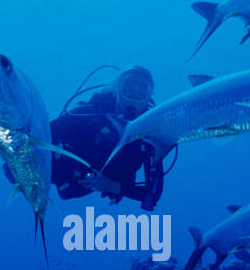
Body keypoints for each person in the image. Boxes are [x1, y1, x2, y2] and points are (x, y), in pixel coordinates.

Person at [49, 65, 172, 211]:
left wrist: (112, 186)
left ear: (148, 99)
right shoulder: (89, 113)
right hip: (65, 175)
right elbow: (46, 133)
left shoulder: (150, 135)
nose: (134, 95)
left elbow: (152, 195)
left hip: (110, 182)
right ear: (117, 90)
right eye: (129, 88)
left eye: (141, 93)